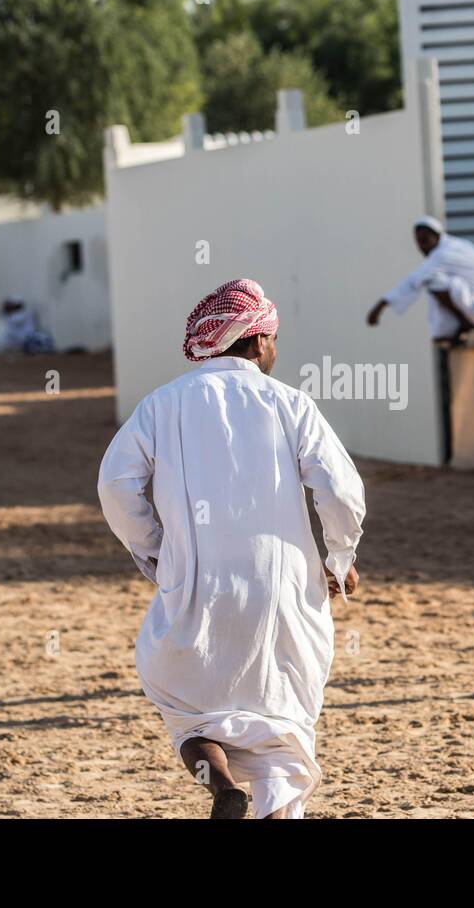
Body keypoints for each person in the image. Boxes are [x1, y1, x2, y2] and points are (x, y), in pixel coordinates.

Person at [98, 278, 366, 819]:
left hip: (196, 584)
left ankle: (222, 784)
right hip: (284, 590)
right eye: (273, 338)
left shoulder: (162, 403)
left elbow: (115, 484)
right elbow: (339, 489)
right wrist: (340, 556)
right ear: (257, 341)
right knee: (283, 727)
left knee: (188, 712)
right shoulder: (291, 403)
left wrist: (154, 550)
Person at [367, 216, 474, 340]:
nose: (421, 247)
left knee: (434, 282)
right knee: (436, 280)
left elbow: (411, 282)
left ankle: (465, 324)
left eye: (425, 241)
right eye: (419, 242)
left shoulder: (442, 254)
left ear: (437, 236)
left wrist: (379, 307)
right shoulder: (459, 245)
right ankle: (457, 328)